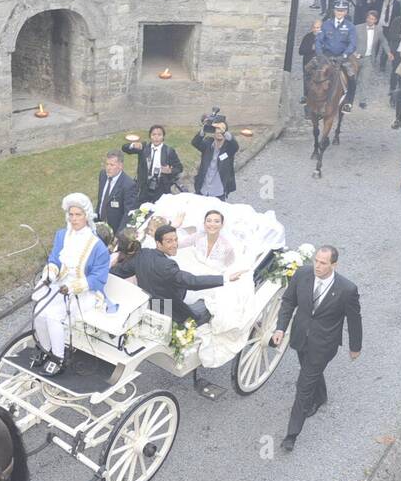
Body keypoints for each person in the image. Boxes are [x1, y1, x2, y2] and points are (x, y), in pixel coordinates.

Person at [272, 245, 362, 451]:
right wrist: (280, 329)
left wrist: (355, 346)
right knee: (310, 370)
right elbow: (288, 302)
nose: (317, 266)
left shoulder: (347, 289)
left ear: (334, 265)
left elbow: (355, 320)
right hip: (300, 336)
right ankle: (320, 397)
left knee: (304, 385)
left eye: (323, 263)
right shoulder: (302, 274)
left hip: (324, 344)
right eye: (316, 261)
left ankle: (291, 435)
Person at [31, 194, 110, 376]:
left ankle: (59, 358)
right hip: (60, 284)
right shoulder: (61, 235)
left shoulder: (97, 246)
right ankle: (46, 348)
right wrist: (50, 273)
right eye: (71, 214)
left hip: (84, 292)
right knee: (39, 312)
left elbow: (98, 278)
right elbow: (54, 259)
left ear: (86, 216)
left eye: (78, 215)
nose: (74, 219)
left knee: (53, 316)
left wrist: (74, 287)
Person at [111, 224, 245, 327]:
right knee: (211, 306)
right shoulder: (168, 266)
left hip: (150, 304)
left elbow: (120, 272)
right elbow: (192, 282)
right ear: (158, 243)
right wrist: (225, 278)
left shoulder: (142, 254)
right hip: (171, 311)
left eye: (176, 240)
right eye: (169, 241)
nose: (175, 244)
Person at [312, 0, 355, 111]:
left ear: (346, 12)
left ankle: (348, 102)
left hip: (342, 57)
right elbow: (318, 40)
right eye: (337, 10)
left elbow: (353, 43)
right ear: (334, 11)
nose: (339, 13)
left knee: (351, 76)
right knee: (309, 69)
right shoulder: (326, 24)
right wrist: (319, 54)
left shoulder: (350, 27)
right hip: (326, 56)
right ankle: (307, 96)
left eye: (342, 11)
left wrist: (345, 55)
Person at [122, 126, 183, 204]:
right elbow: (124, 148)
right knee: (141, 209)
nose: (156, 137)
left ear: (163, 136)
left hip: (161, 187)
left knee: (158, 211)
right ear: (150, 136)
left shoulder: (169, 151)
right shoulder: (143, 147)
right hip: (144, 187)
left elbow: (179, 168)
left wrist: (170, 170)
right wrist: (133, 145)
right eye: (154, 134)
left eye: (159, 135)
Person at [191, 116, 239, 200]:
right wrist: (204, 129)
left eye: (222, 129)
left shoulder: (229, 148)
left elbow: (235, 146)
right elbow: (195, 142)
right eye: (217, 128)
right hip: (202, 190)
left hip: (218, 193)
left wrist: (223, 131)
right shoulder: (208, 144)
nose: (219, 131)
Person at [172, 208, 237, 270]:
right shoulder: (198, 237)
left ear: (222, 225)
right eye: (209, 221)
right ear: (204, 224)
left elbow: (231, 266)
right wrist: (173, 227)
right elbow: (175, 246)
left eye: (217, 221)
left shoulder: (227, 247)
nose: (212, 224)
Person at [97, 150, 138, 233]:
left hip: (114, 230)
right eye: (107, 164)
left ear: (120, 166)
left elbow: (128, 214)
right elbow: (101, 200)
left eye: (112, 165)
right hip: (98, 225)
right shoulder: (103, 175)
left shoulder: (128, 185)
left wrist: (119, 235)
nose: (108, 168)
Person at [347, 8, 379, 109]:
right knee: (352, 80)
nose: (370, 20)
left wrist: (388, 52)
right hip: (355, 58)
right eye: (369, 18)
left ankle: (363, 100)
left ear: (376, 20)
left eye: (373, 19)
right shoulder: (357, 28)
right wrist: (353, 52)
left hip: (368, 59)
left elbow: (384, 41)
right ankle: (348, 99)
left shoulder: (379, 30)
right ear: (366, 18)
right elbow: (350, 41)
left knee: (365, 80)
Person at [376, 0, 401, 71]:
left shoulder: (397, 4)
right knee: (375, 44)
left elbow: (397, 17)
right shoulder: (381, 0)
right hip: (379, 25)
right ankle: (372, 60)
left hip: (389, 28)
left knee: (386, 47)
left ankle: (382, 64)